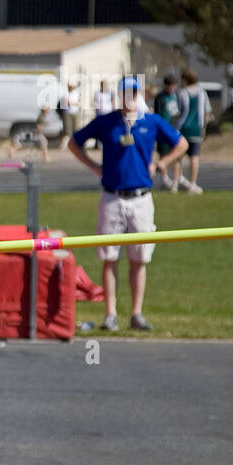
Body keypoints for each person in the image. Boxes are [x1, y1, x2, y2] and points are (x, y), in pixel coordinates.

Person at [67, 76, 188, 333]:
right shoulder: (106, 121)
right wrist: (93, 166)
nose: (129, 98)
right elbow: (74, 142)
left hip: (141, 197)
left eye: (133, 93)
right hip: (112, 197)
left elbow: (182, 144)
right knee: (109, 257)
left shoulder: (151, 121)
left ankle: (136, 313)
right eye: (125, 93)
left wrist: (162, 163)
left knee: (139, 258)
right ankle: (110, 314)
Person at [174, 68, 212, 194]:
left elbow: (177, 112)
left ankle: (176, 182)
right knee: (194, 157)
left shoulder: (181, 92)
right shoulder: (202, 93)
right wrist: (204, 128)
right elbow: (206, 112)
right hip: (196, 128)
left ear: (185, 79)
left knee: (179, 156)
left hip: (183, 128)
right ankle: (192, 184)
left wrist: (174, 126)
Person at [152, 73, 184, 191]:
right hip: (163, 129)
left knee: (176, 155)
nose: (171, 88)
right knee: (163, 154)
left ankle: (175, 182)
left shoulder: (177, 96)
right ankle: (165, 179)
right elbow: (157, 114)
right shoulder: (160, 97)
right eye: (169, 86)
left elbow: (179, 112)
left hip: (174, 129)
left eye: (173, 86)